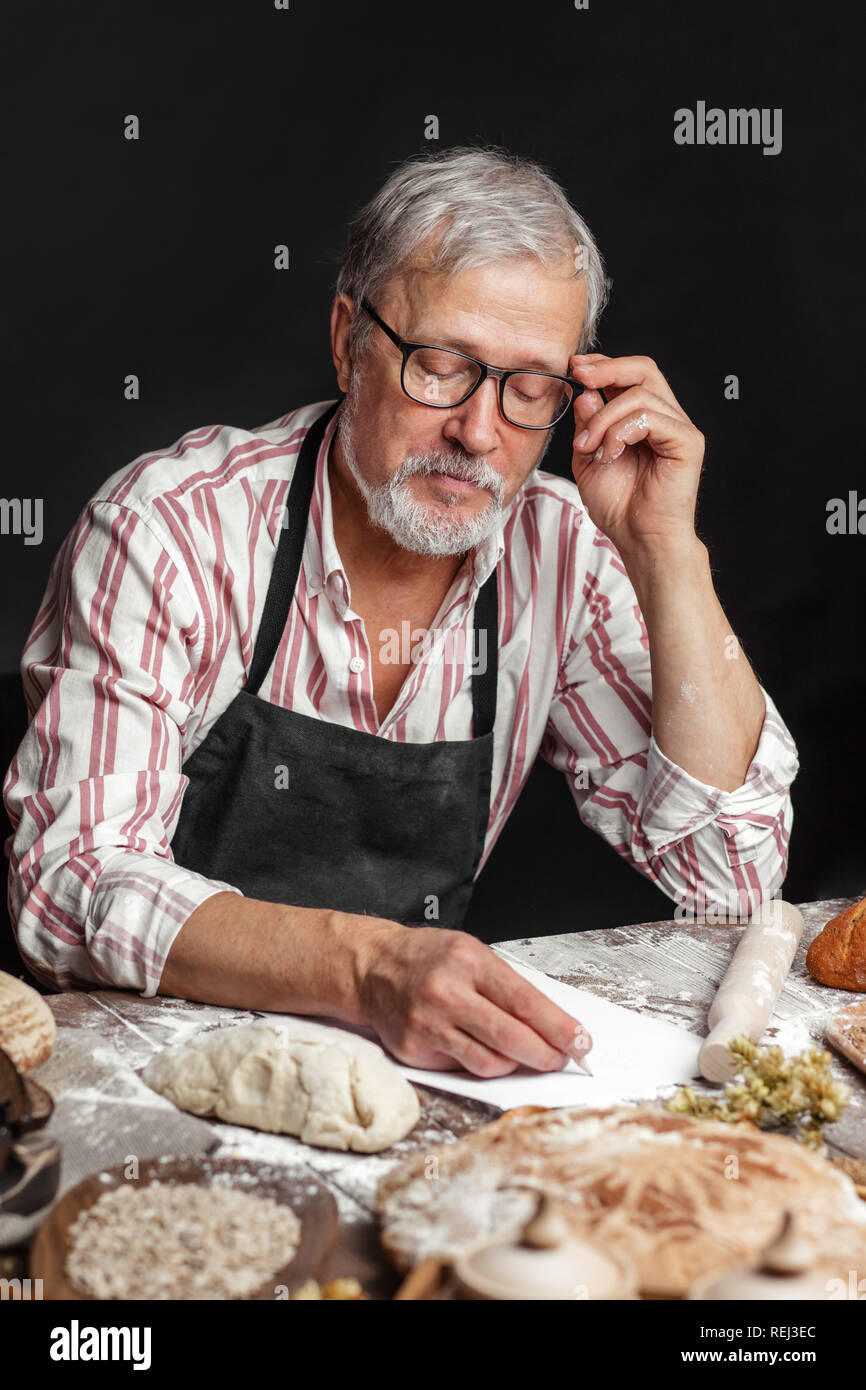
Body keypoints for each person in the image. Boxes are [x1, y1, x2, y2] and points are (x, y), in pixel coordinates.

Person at [3, 147, 798, 1079]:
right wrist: (370, 967)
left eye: (529, 387)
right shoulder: (171, 529)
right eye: (441, 366)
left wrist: (668, 551)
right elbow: (68, 885)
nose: (479, 431)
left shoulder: (567, 549)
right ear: (348, 340)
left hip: (408, 1078)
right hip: (145, 1067)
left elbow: (732, 882)